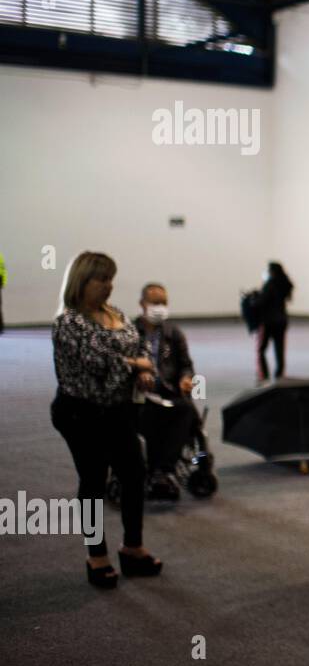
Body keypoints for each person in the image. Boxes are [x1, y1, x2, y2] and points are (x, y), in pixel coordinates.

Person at [50, 252, 164, 589]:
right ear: (81, 282)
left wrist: (142, 371)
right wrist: (136, 367)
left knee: (133, 474)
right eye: (101, 280)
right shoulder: (68, 322)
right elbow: (97, 365)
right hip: (81, 413)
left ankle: (132, 547)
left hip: (119, 411)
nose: (108, 286)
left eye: (111, 279)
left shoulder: (116, 314)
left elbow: (138, 349)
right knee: (93, 481)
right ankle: (95, 555)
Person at [133, 283, 200, 500]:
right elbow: (122, 362)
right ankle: (156, 470)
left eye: (163, 303)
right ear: (142, 304)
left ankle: (164, 470)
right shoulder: (130, 332)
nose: (159, 307)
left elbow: (186, 364)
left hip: (170, 391)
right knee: (150, 416)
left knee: (187, 411)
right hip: (141, 394)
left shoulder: (174, 333)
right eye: (155, 303)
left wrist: (185, 378)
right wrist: (138, 374)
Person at [256, 261, 293, 382]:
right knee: (280, 350)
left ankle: (264, 375)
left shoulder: (270, 284)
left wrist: (253, 300)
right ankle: (279, 375)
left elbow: (261, 301)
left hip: (268, 322)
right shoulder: (285, 284)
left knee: (261, 349)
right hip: (281, 321)